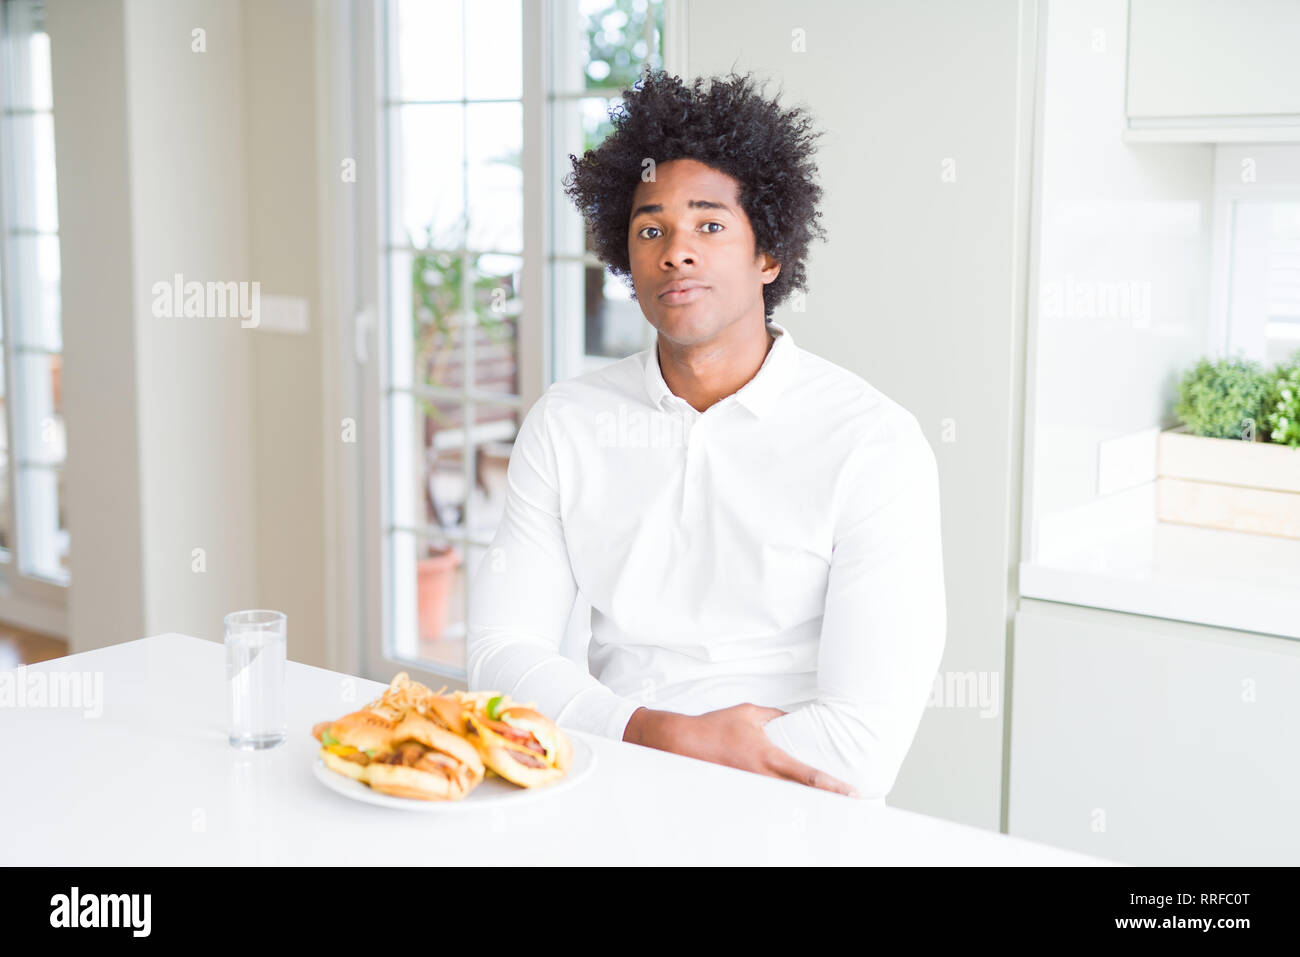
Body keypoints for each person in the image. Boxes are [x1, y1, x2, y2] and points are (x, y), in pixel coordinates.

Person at [467, 68, 946, 803]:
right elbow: (499, 658)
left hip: (796, 816)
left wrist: (612, 733)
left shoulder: (873, 445)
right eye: (650, 229)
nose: (676, 250)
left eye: (710, 225)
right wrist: (658, 733)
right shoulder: (566, 425)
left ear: (769, 255)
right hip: (607, 794)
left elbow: (862, 744)